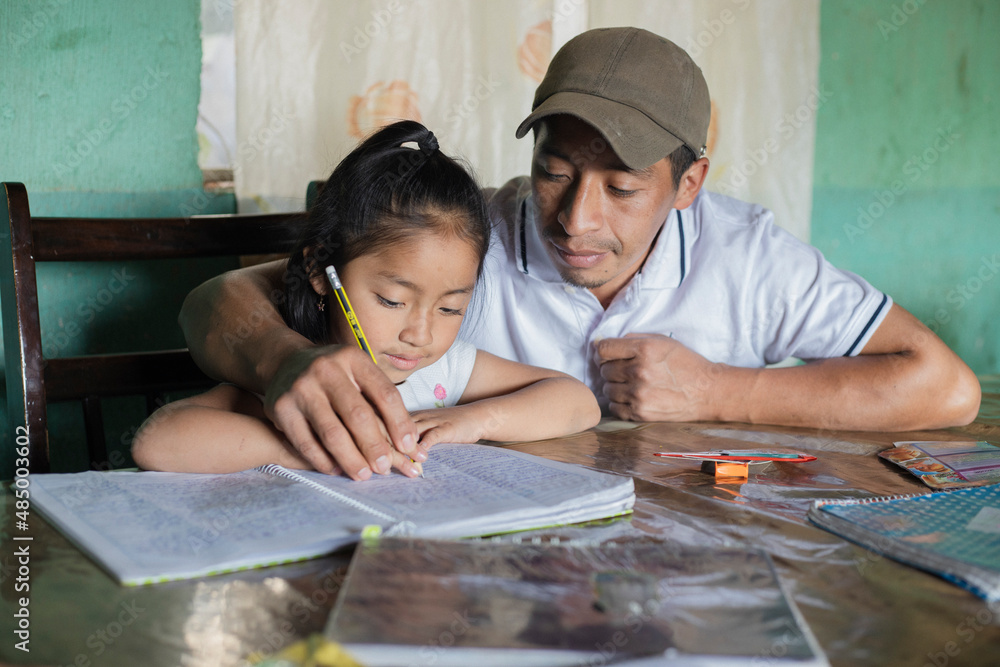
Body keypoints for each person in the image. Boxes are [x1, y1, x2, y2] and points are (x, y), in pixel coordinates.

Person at [176, 28, 981, 478]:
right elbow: (222, 299)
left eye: (622, 189)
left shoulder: (751, 258)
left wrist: (714, 387)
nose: (574, 220)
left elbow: (945, 388)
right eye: (554, 172)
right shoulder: (466, 238)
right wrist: (282, 357)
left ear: (689, 182)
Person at [132, 120, 600, 478]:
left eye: (450, 307)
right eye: (392, 301)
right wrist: (320, 447)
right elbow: (157, 442)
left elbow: (578, 402)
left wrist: (474, 420)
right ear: (321, 272)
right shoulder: (298, 374)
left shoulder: (443, 373)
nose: (421, 334)